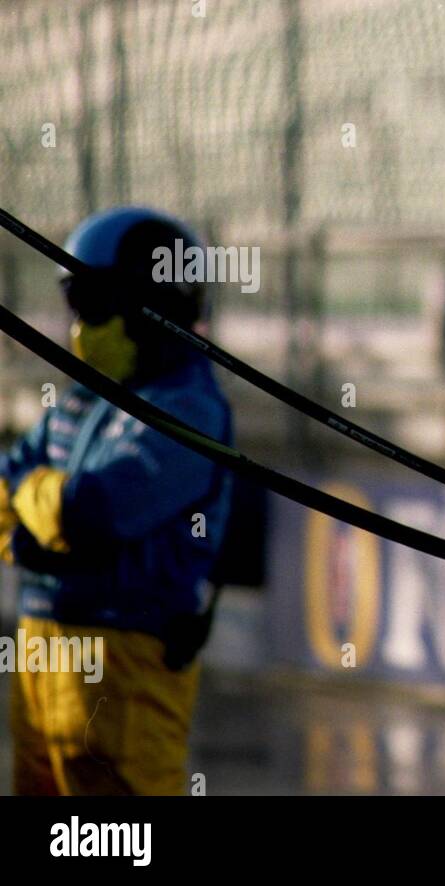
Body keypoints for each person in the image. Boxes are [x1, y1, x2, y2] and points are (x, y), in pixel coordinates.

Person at [1, 206, 234, 795]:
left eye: (94, 305)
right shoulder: (83, 399)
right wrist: (41, 520)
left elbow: (97, 512)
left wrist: (37, 517)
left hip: (125, 669)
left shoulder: (189, 409)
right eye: (74, 303)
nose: (79, 325)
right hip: (41, 656)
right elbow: (6, 490)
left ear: (152, 307)